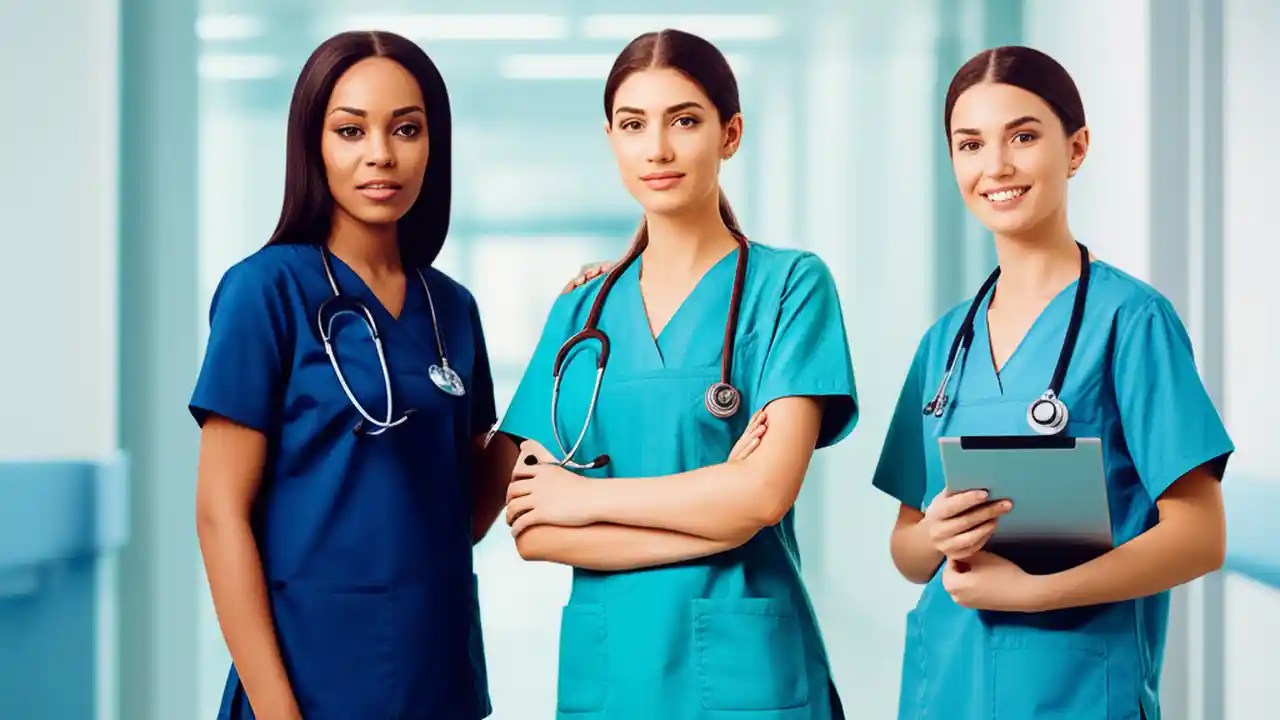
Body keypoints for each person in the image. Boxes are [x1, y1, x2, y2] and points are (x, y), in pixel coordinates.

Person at [488, 28, 859, 720]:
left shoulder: (789, 288)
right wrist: (718, 516)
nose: (656, 148)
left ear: (730, 133)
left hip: (748, 674)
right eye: (634, 125)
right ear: (611, 139)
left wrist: (585, 499)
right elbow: (536, 529)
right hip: (613, 672)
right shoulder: (582, 310)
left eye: (684, 120)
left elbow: (763, 496)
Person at [871, 45, 1234, 720]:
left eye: (1024, 136)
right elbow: (908, 550)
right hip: (944, 690)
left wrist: (1034, 593)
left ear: (1076, 148)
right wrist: (937, 535)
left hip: (1075, 693)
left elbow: (1200, 535)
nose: (996, 166)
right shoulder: (945, 342)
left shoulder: (1131, 321)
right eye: (970, 143)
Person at [191, 31, 508, 719]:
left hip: (438, 678)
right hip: (310, 682)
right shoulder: (265, 291)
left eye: (407, 129)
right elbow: (220, 515)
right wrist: (278, 711)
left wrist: (557, 367)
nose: (381, 155)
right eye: (350, 130)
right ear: (314, 144)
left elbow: (462, 516)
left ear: (434, 145)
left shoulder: (451, 307)